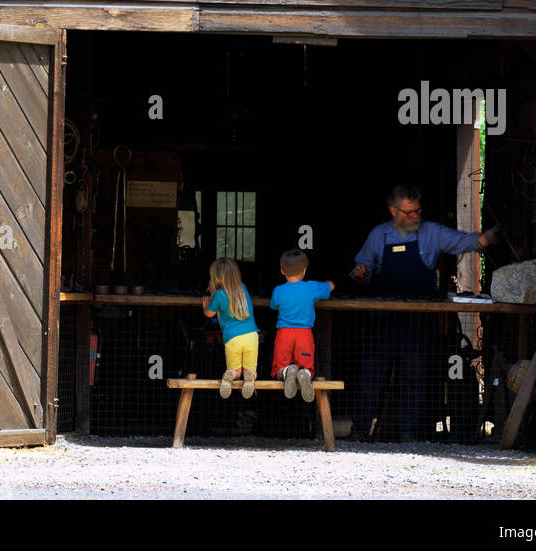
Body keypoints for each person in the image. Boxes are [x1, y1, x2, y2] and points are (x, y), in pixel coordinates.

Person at [348, 184, 499, 441]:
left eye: (417, 211)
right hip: (383, 318)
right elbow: (360, 271)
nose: (415, 216)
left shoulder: (431, 232)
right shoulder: (378, 235)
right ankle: (359, 431)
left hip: (418, 318)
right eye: (409, 212)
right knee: (372, 376)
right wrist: (360, 273)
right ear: (393, 211)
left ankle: (409, 434)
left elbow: (468, 241)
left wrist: (490, 236)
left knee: (414, 378)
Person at [270, 248, 334, 401]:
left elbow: (274, 305)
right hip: (304, 334)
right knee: (307, 367)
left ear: (282, 271)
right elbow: (330, 287)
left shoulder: (278, 290)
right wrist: (328, 284)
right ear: (304, 270)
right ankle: (304, 374)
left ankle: (287, 371)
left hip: (284, 333)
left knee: (278, 368)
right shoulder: (311, 287)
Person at [202, 257, 259, 399]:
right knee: (250, 370)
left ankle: (230, 375)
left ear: (215, 278)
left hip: (232, 338)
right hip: (251, 335)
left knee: (236, 370)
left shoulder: (218, 295)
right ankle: (250, 377)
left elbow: (209, 314)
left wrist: (205, 306)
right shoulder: (243, 289)